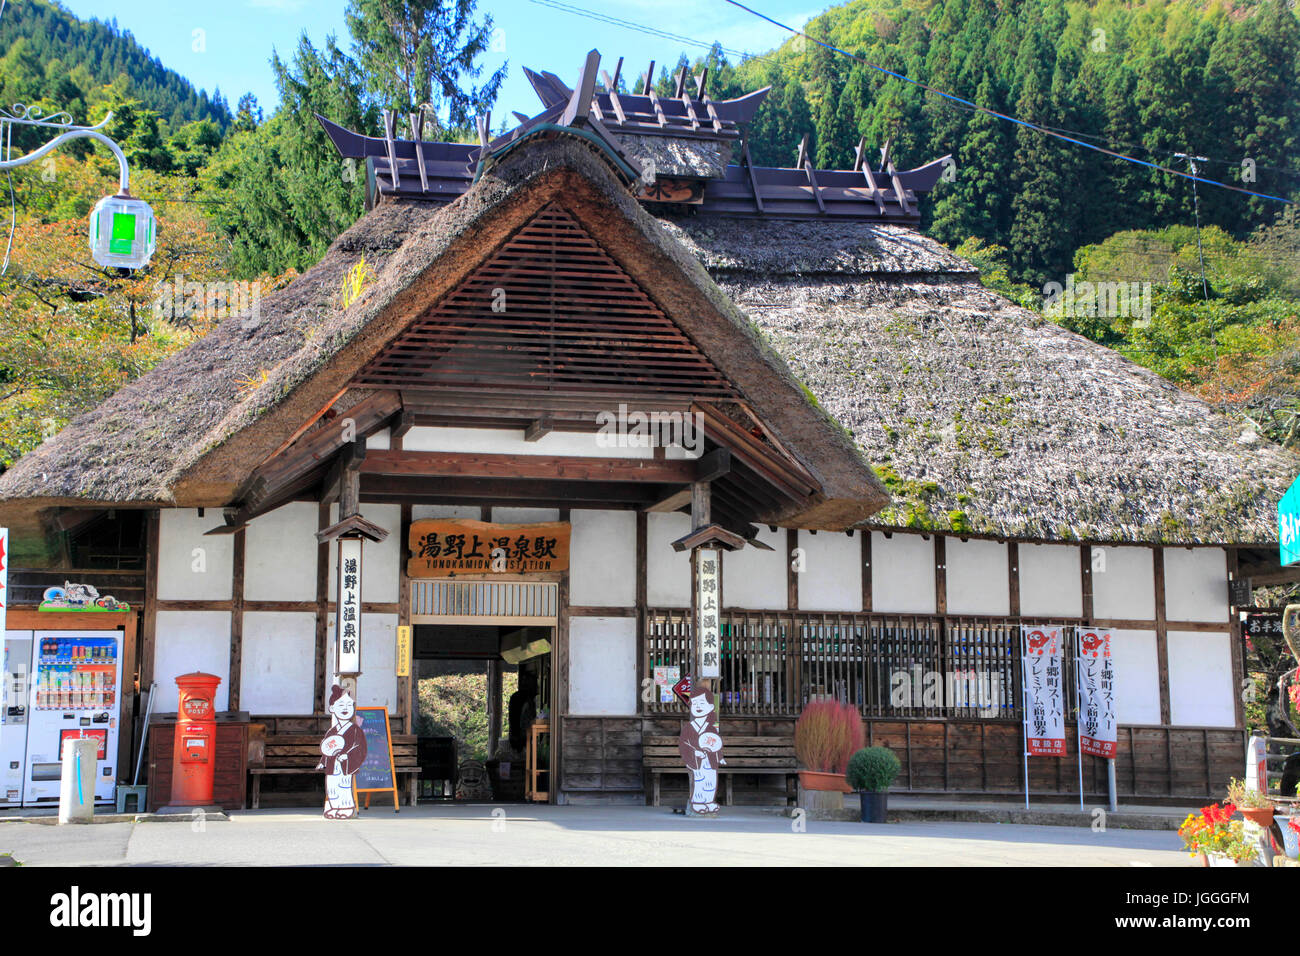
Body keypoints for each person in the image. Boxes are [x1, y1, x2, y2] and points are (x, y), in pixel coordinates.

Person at [316, 684, 367, 820]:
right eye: (341, 705)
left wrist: (348, 756)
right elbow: (327, 749)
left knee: (344, 786)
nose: (345, 709)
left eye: (349, 705)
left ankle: (345, 808)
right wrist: (323, 762)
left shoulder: (355, 730)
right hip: (333, 765)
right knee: (332, 786)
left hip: (345, 764)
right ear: (332, 708)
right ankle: (333, 807)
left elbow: (360, 747)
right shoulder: (332, 731)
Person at [678, 688, 725, 814]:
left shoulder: (711, 727)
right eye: (695, 703)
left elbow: (716, 743)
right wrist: (693, 752)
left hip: (709, 760)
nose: (698, 706)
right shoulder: (689, 727)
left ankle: (708, 801)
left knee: (711, 781)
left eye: (702, 703)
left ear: (710, 707)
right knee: (699, 780)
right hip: (697, 761)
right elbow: (683, 744)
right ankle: (698, 802)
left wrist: (719, 756)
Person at [508, 667, 538, 754]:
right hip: (521, 734)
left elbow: (512, 718)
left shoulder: (516, 696)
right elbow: (517, 718)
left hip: (517, 733)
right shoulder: (526, 699)